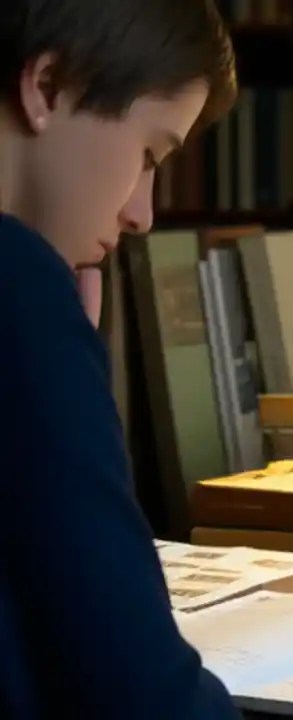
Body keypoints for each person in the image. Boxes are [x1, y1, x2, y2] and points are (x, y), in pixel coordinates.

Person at [0, 1, 240, 717]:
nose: (143, 212)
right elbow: (139, 690)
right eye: (148, 155)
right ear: (48, 88)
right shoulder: (16, 283)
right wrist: (62, 372)